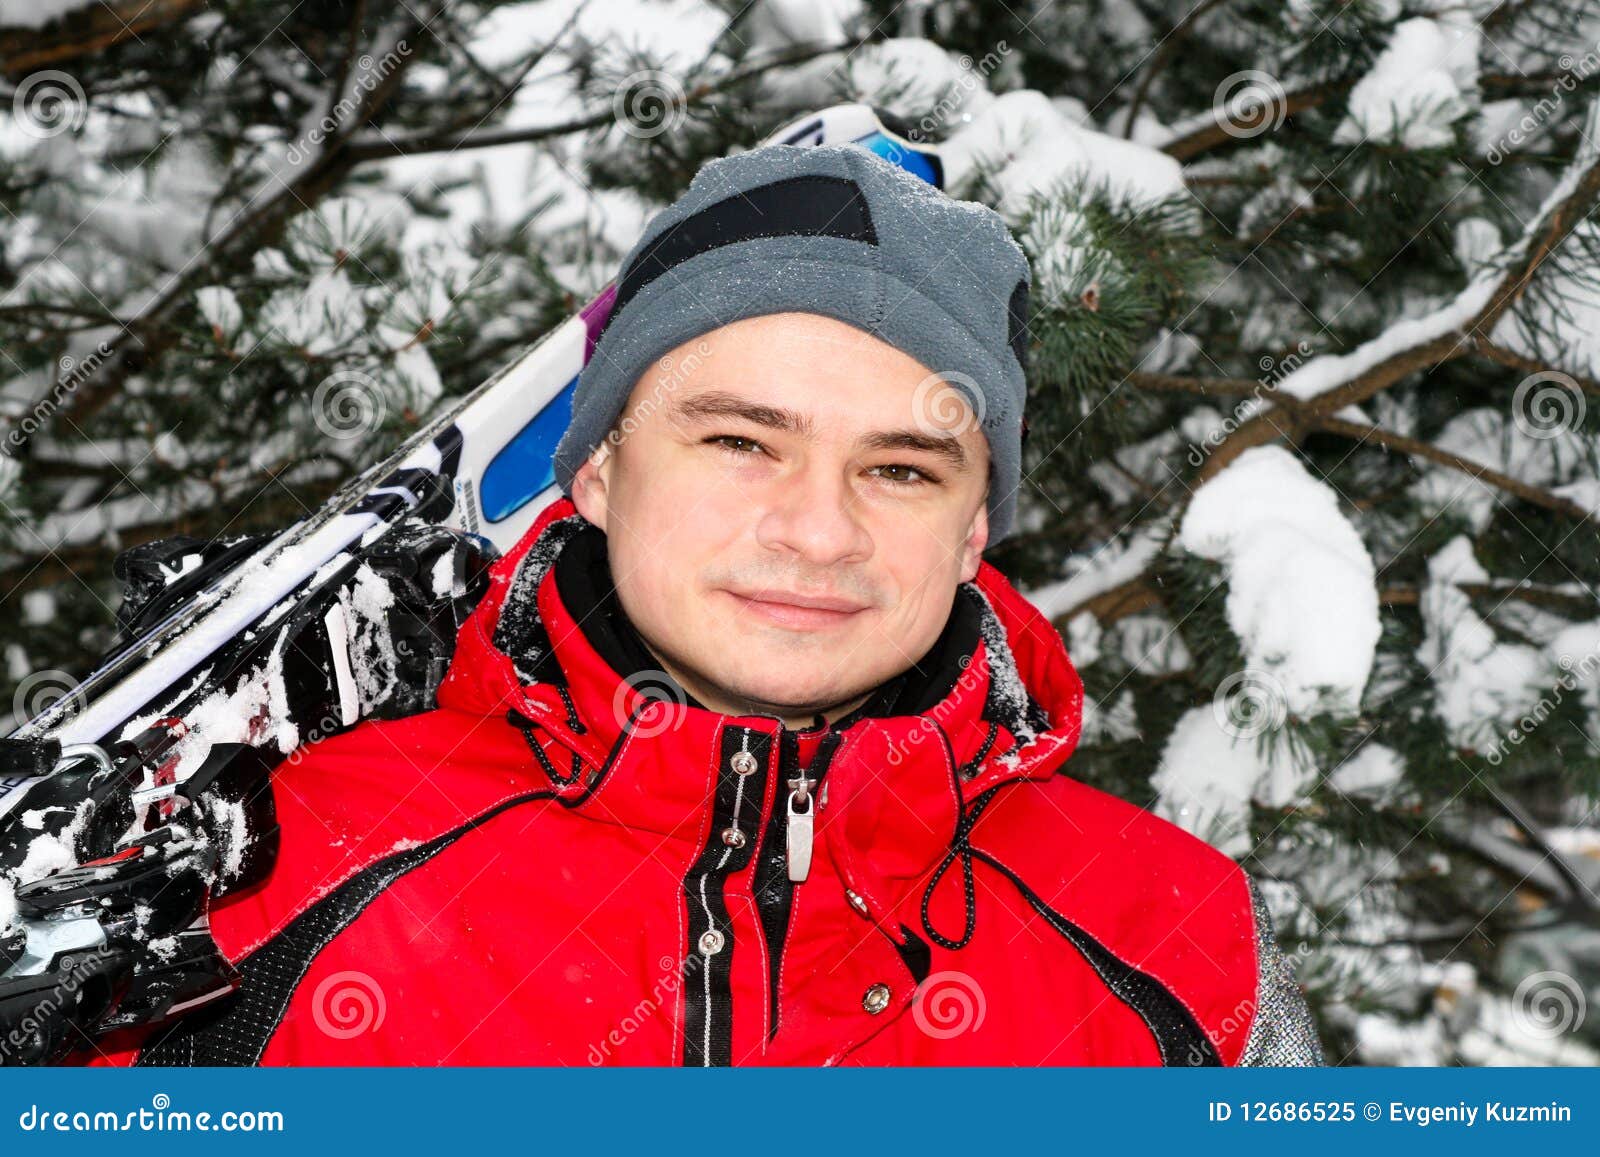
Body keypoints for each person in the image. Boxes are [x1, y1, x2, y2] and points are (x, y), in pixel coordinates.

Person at [84, 143, 1322, 1066]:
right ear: (599, 473)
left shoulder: (1180, 939)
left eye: (901, 467)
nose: (819, 529)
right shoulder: (274, 868)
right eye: (741, 440)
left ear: (975, 528)